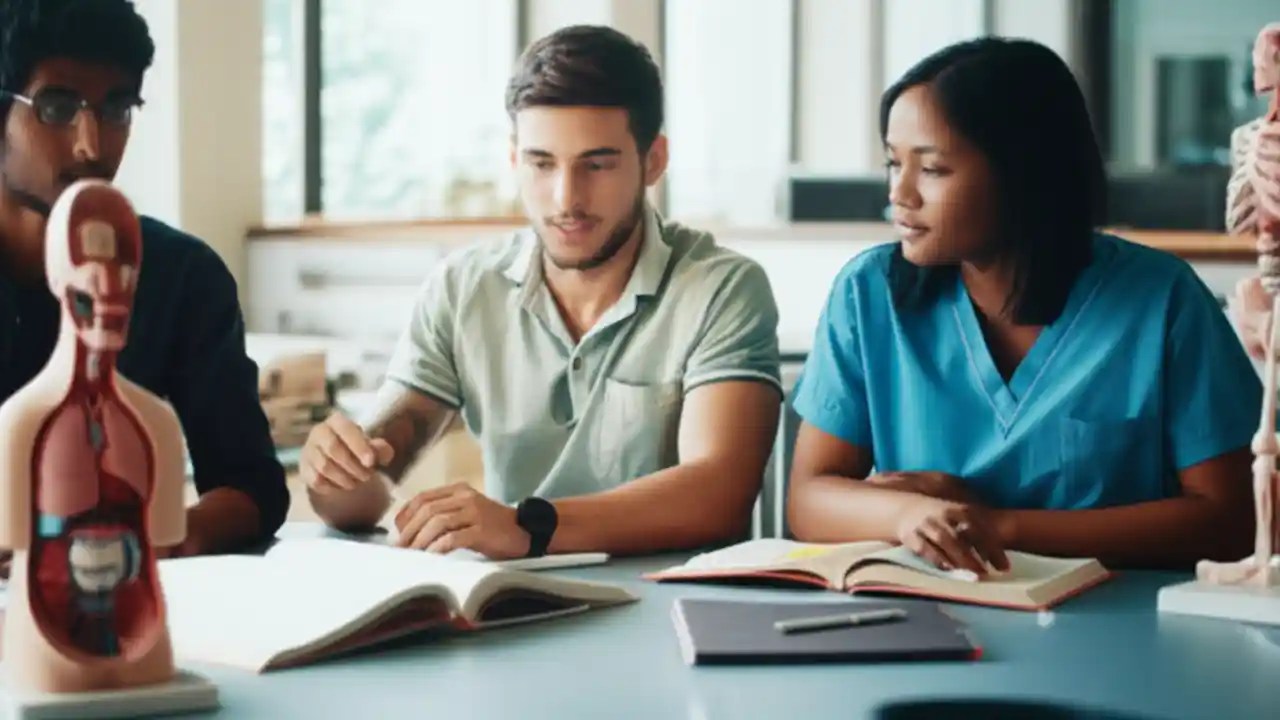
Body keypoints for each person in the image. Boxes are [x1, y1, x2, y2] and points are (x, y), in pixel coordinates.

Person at [300, 25, 782, 559]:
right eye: (541, 162)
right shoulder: (463, 286)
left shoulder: (722, 288)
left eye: (596, 165)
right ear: (514, 158)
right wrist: (335, 474)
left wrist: (526, 526)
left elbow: (718, 495)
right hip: (514, 604)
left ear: (654, 161)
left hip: (672, 606)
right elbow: (368, 485)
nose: (565, 199)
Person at [786, 37, 1261, 574]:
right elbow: (809, 499)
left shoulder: (1162, 300)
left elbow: (1230, 520)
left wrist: (999, 525)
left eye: (934, 169)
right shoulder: (869, 294)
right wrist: (910, 515)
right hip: (933, 613)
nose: (901, 194)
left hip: (1119, 626)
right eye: (894, 164)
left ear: (1024, 172)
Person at [0, 0, 289, 572]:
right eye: (57, 107)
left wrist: (159, 538)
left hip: (113, 597)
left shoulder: (183, 275)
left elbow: (251, 486)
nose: (92, 145)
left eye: (116, 108)